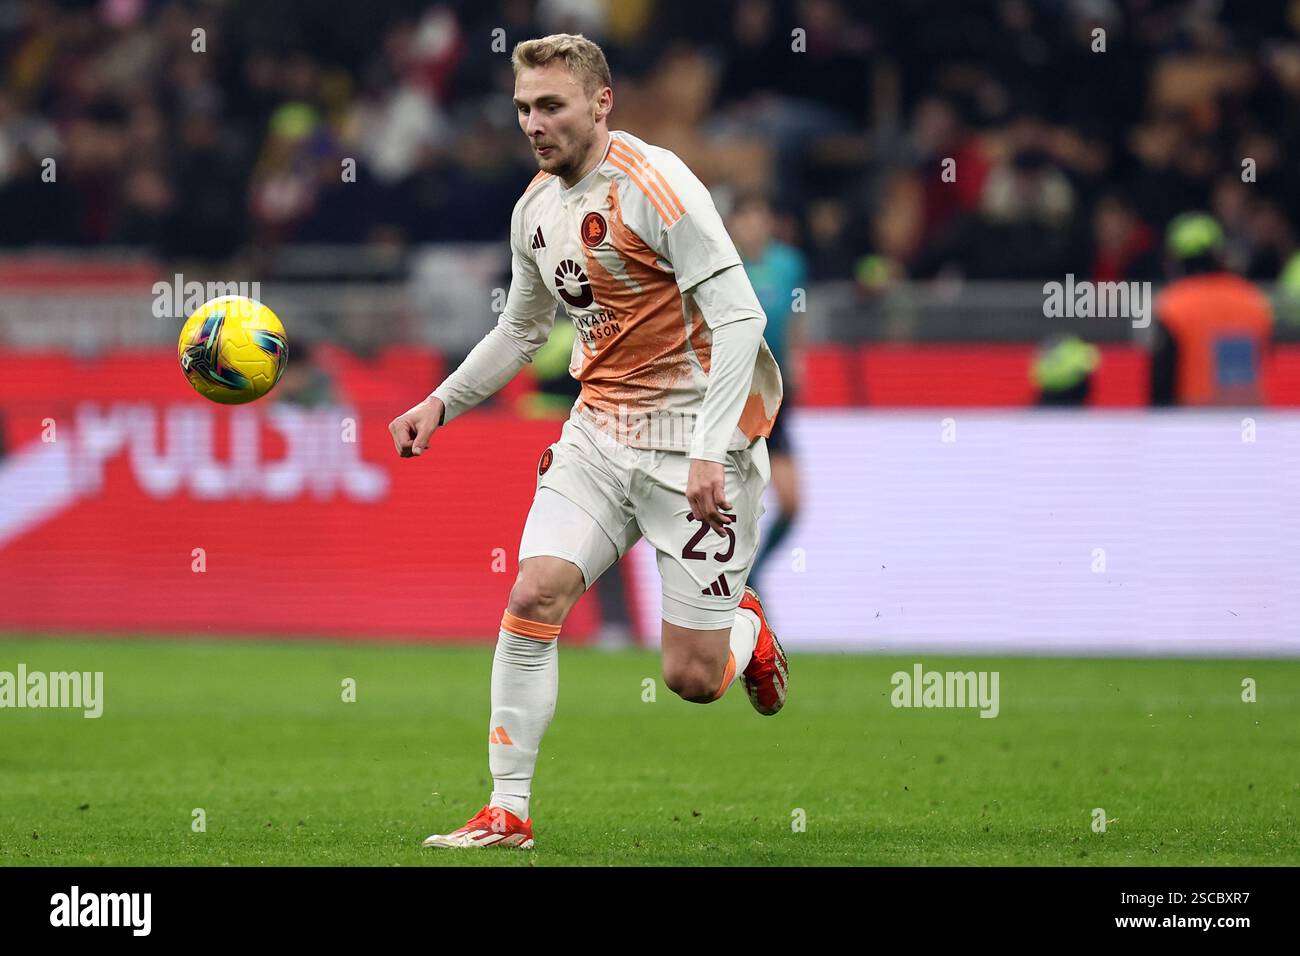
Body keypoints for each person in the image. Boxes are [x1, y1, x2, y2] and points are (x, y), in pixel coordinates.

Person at [386, 34, 788, 850]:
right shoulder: (534, 209)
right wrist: (439, 402)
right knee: (534, 593)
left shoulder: (659, 185)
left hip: (694, 447)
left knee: (692, 679)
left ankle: (746, 633)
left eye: (551, 106)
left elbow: (743, 316)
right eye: (524, 109)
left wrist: (711, 450)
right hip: (599, 434)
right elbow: (521, 328)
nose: (534, 124)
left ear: (601, 103)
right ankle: (507, 809)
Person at [728, 192, 806, 588]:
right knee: (737, 501)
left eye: (760, 217)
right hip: (738, 394)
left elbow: (795, 319)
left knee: (792, 503)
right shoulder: (724, 265)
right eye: (746, 218)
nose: (753, 227)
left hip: (778, 394)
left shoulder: (789, 265)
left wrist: (797, 361)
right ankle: (732, 586)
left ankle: (753, 575)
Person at [1150, 213, 1273, 406]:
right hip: (1247, 417)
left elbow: (1162, 381)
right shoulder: (1252, 299)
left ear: (1175, 260)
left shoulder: (1173, 305)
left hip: (1193, 422)